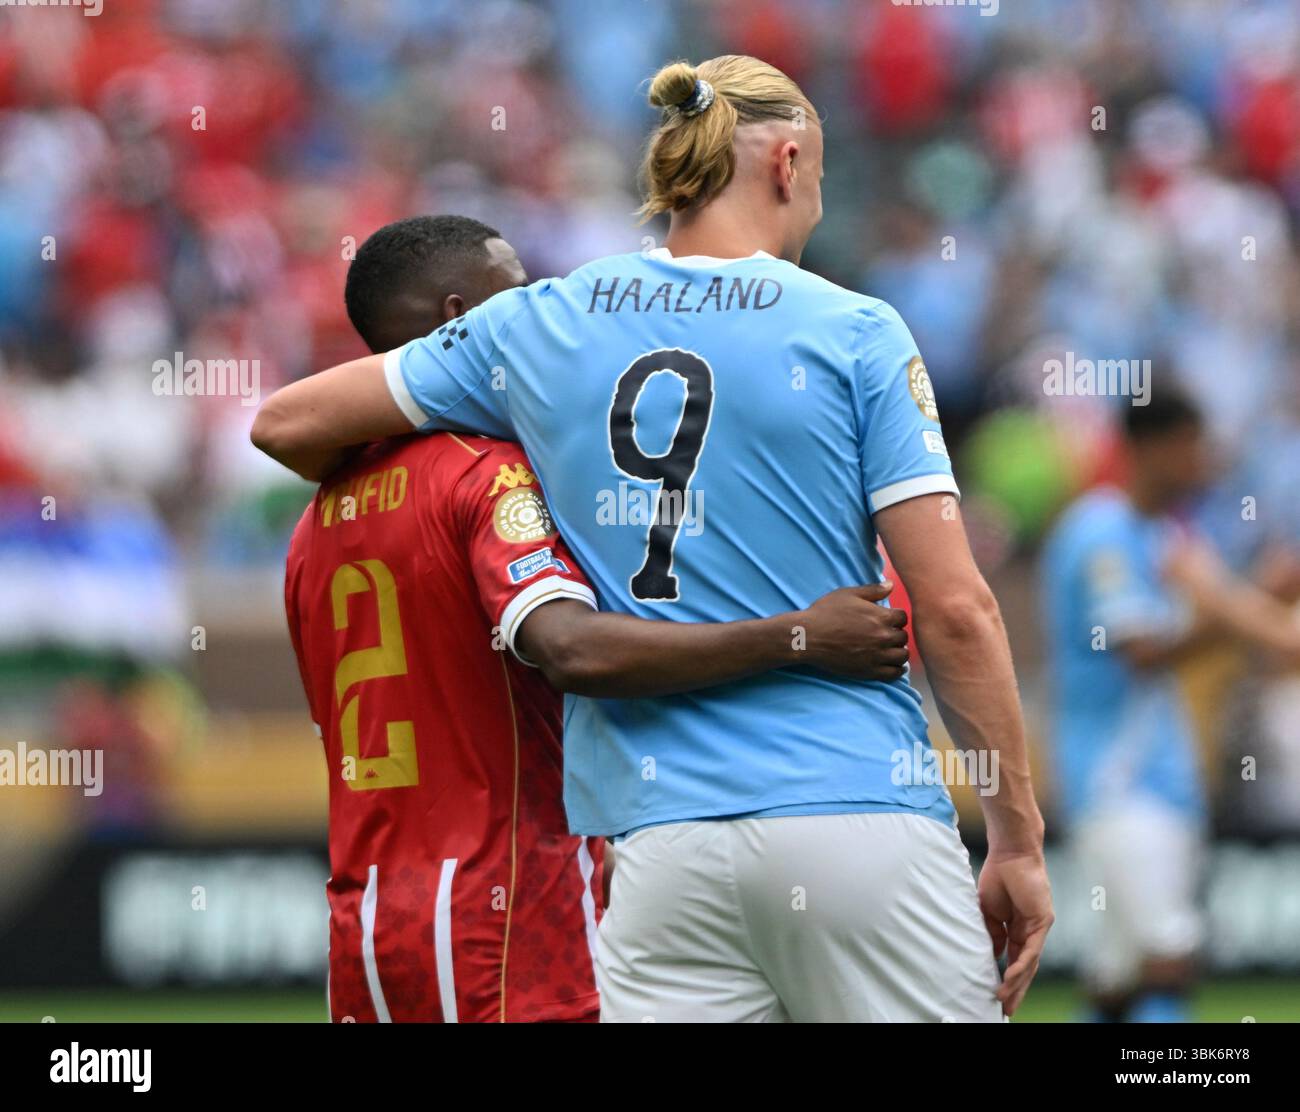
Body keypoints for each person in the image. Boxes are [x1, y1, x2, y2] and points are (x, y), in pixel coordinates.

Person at [255, 56, 1053, 1022]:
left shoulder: (536, 323)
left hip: (658, 851)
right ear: (787, 160)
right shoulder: (855, 330)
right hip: (852, 812)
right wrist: (1015, 838)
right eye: (821, 179)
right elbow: (958, 609)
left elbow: (287, 424)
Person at [288, 213, 912, 1022]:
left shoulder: (317, 520)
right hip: (508, 912)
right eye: (516, 295)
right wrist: (797, 637)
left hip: (370, 916)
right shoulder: (492, 475)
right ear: (459, 323)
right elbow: (570, 650)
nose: (543, 313)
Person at [1041, 387, 1300, 1022]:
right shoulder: (1101, 532)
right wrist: (1235, 606)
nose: (1202, 462)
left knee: (1119, 973)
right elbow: (1145, 651)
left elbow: (1258, 627)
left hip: (1161, 777)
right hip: (1117, 779)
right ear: (1147, 447)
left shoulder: (1166, 536)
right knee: (1173, 954)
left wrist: (1257, 605)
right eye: (1190, 446)